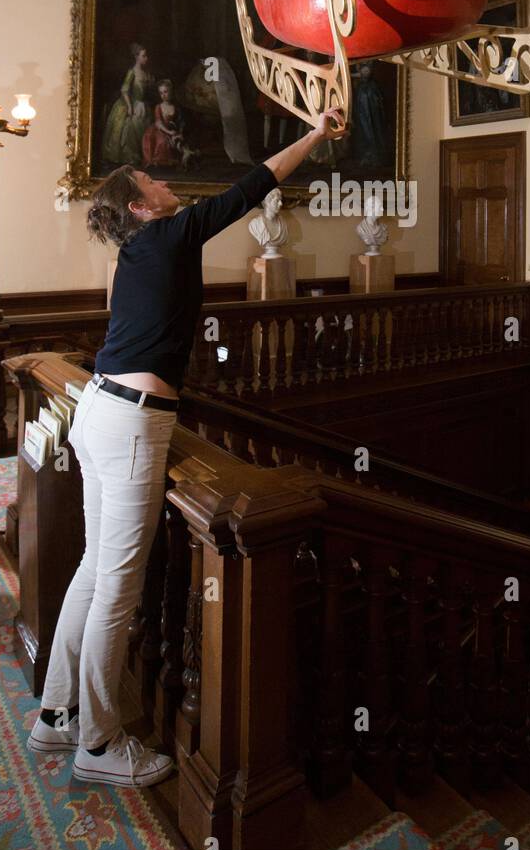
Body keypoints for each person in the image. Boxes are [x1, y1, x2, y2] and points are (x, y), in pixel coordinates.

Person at [27, 110, 347, 787]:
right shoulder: (167, 236)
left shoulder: (138, 251)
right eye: (151, 179)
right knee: (117, 590)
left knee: (94, 572)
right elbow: (256, 183)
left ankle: (57, 714)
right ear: (139, 207)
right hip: (131, 425)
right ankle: (98, 744)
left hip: (101, 410)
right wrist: (317, 135)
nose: (164, 180)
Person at [101, 42, 154, 168]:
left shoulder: (146, 73)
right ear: (136, 57)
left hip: (141, 105)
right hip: (128, 103)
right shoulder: (132, 72)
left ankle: (143, 157)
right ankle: (129, 158)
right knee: (129, 127)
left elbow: (146, 91)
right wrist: (130, 107)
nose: (146, 58)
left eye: (146, 56)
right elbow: (124, 90)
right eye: (143, 56)